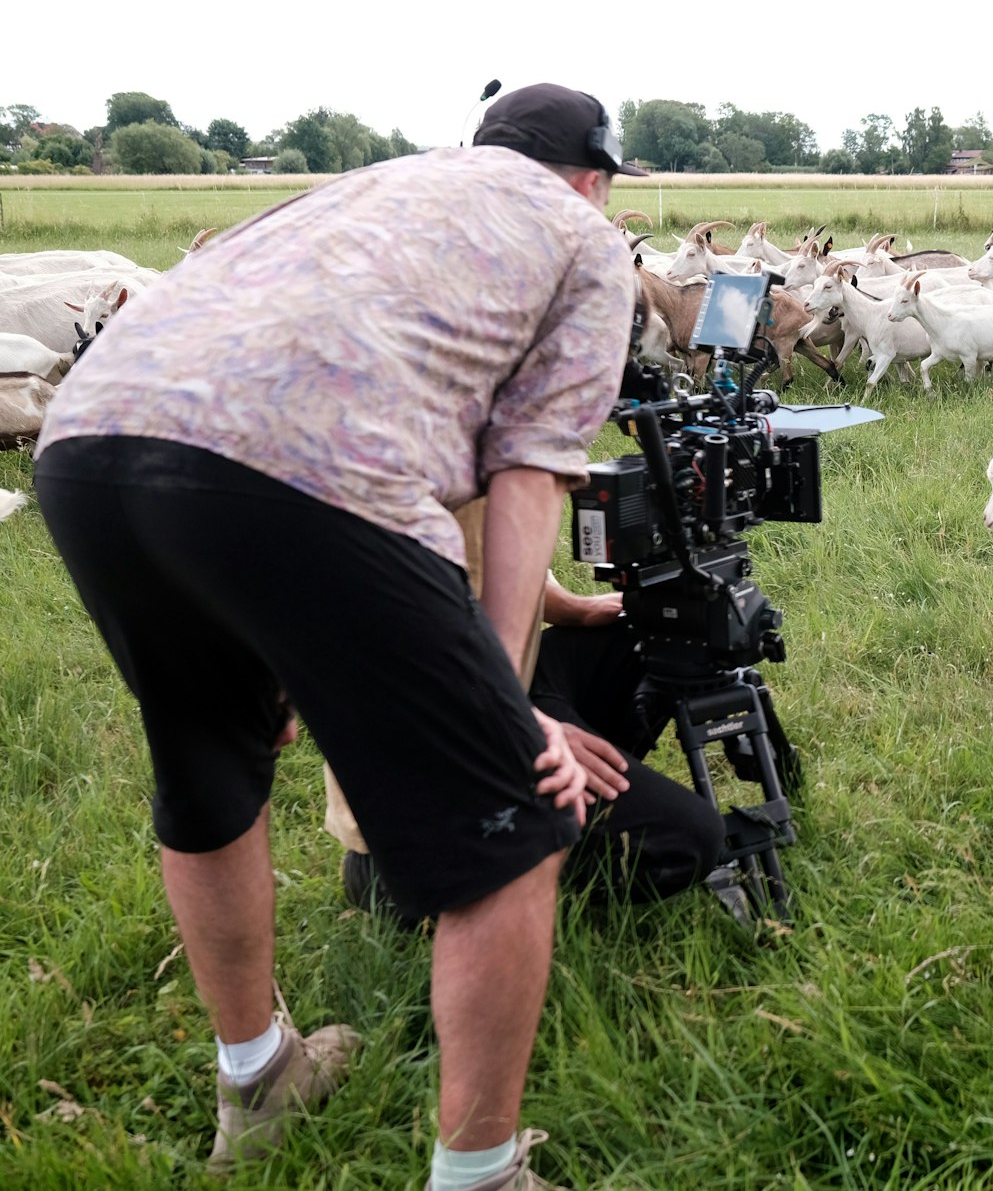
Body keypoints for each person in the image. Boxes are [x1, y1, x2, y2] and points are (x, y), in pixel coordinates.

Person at [33, 82, 642, 1191]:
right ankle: (482, 1175)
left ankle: (258, 1084)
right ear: (596, 179)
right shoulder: (586, 241)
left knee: (210, 763)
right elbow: (527, 477)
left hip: (90, 438)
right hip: (305, 461)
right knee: (511, 820)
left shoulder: (367, 187)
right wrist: (508, 706)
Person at [332, 569, 728, 923]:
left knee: (658, 633)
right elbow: (384, 653)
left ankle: (571, 814)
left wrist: (576, 608)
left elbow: (502, 563)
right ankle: (528, 858)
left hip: (501, 683)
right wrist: (522, 727)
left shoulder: (499, 491)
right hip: (425, 786)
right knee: (689, 841)